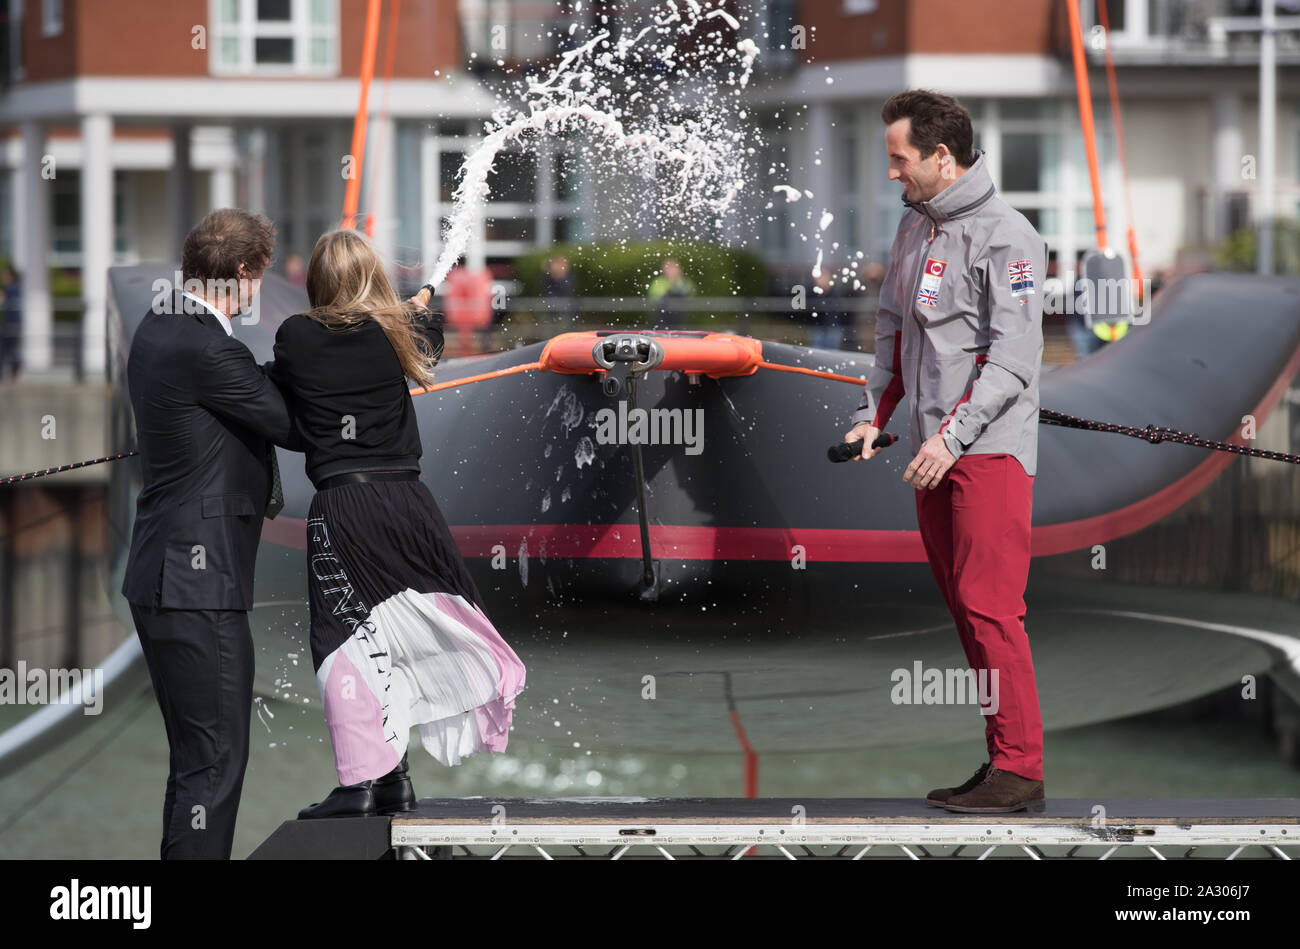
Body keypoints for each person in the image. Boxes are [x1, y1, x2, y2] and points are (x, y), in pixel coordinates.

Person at [269, 229, 526, 819]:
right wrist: (407, 313)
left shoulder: (296, 336)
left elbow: (295, 381)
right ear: (373, 279)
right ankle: (393, 782)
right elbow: (423, 343)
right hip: (411, 505)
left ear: (319, 282)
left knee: (344, 636)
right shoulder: (403, 331)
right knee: (407, 627)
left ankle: (361, 784)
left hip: (346, 504)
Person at [844, 89, 1046, 814]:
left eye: (900, 161)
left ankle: (1021, 770)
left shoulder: (1009, 237)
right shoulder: (913, 229)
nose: (892, 174)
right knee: (966, 610)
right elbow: (893, 332)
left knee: (991, 607)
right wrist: (874, 413)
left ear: (941, 155)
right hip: (931, 455)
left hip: (985, 453)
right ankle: (1002, 762)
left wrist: (950, 437)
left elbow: (1013, 360)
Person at [122, 208, 301, 859]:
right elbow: (293, 423)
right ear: (247, 273)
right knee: (215, 766)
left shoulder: (160, 327)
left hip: (160, 577)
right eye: (263, 274)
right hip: (199, 587)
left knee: (196, 764)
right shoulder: (208, 348)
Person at [807, 268, 851, 351]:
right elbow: (809, 304)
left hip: (832, 326)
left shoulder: (835, 290)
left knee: (832, 351)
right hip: (818, 326)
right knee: (816, 350)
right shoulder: (813, 290)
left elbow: (837, 306)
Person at [648, 257, 694, 329]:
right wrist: (670, 284)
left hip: (679, 318)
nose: (671, 271)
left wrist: (676, 282)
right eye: (668, 268)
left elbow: (690, 294)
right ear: (663, 270)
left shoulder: (684, 281)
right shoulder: (659, 281)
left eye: (673, 268)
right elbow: (655, 298)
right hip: (662, 317)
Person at [541, 255, 578, 325]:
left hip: (565, 310)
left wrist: (559, 276)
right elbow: (544, 288)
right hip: (551, 310)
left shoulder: (569, 278)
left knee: (564, 329)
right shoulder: (548, 278)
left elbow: (567, 289)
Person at [0, 264, 21, 380]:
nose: (3, 277)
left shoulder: (11, 289)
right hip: (14, 323)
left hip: (10, 323)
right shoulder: (17, 288)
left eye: (5, 275)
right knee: (10, 349)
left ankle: (15, 369)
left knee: (5, 349)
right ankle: (15, 369)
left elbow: (3, 301)